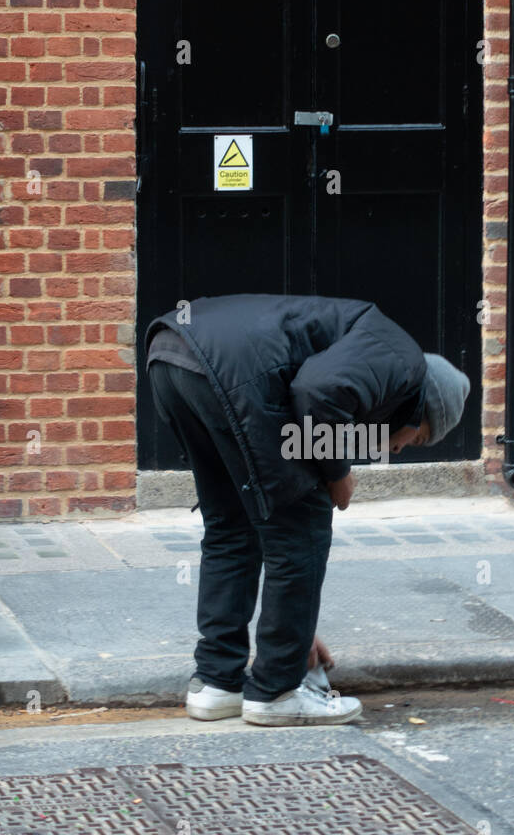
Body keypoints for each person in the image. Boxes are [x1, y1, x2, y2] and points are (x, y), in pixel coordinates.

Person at [145, 294, 469, 727]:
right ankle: (276, 691)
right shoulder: (404, 362)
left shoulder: (376, 347)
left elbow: (312, 393)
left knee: (232, 528)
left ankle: (217, 683)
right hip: (230, 370)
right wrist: (338, 474)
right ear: (423, 408)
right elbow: (317, 392)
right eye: (416, 439)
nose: (397, 448)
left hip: (174, 354)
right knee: (303, 530)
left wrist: (294, 630)